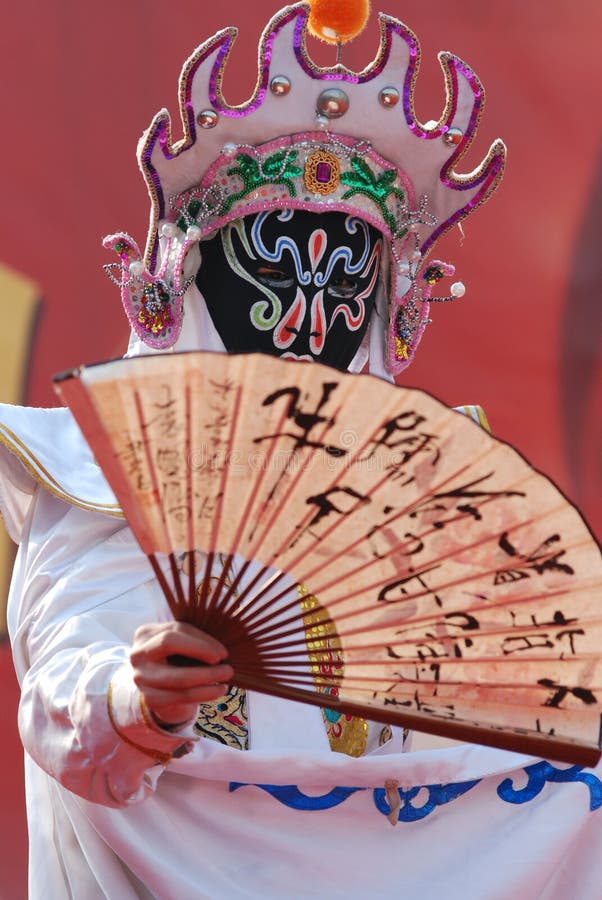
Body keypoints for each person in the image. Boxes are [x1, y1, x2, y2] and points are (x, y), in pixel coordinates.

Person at [2, 4, 602, 898]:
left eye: (347, 276)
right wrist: (135, 701)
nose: (310, 319)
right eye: (274, 266)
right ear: (190, 284)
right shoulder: (111, 475)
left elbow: (491, 726)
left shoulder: (419, 510)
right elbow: (64, 680)